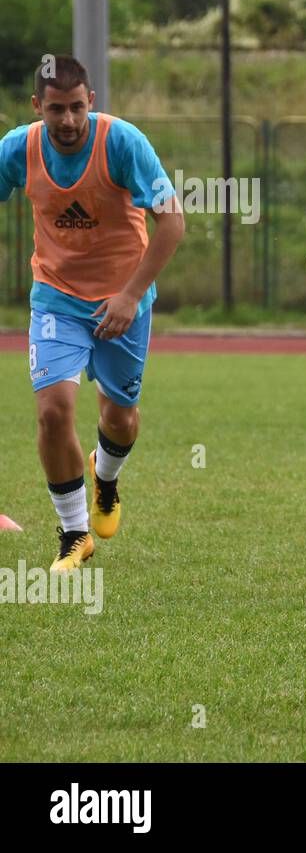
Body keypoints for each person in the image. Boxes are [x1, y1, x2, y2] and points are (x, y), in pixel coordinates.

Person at [0, 55, 184, 571]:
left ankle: (106, 476)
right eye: (56, 109)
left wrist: (129, 296)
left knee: (119, 418)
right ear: (38, 106)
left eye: (77, 108)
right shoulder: (20, 146)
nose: (67, 120)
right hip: (56, 297)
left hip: (122, 300)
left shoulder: (122, 142)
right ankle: (75, 533)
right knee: (53, 409)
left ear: (92, 103)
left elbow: (171, 222)